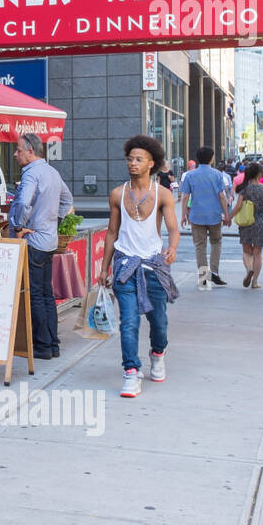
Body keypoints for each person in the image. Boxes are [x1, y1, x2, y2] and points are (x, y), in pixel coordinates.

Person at [100, 135, 179, 399]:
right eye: (130, 159)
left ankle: (158, 353)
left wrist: (173, 248)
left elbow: (173, 228)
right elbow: (112, 232)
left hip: (154, 266)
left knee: (159, 321)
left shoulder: (163, 194)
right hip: (125, 265)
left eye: (138, 159)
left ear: (151, 163)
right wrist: (104, 268)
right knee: (129, 322)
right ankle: (131, 373)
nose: (132, 163)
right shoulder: (117, 194)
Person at [8, 133, 74, 362]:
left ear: (30, 151)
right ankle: (52, 343)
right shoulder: (51, 172)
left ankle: (43, 345)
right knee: (46, 294)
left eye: (18, 150)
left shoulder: (31, 174)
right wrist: (51, 220)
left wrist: (18, 225)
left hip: (34, 243)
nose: (15, 154)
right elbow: (67, 200)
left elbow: (24, 203)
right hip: (48, 242)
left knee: (36, 294)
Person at [178, 146, 231, 289]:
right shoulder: (217, 175)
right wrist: (226, 214)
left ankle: (203, 278)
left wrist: (183, 214)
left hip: (196, 215)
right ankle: (214, 271)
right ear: (211, 158)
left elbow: (185, 197)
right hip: (214, 215)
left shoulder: (190, 175)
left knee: (200, 246)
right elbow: (222, 196)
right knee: (216, 242)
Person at [228, 162, 263, 290]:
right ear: (259, 174)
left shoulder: (245, 190)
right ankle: (255, 282)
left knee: (247, 251)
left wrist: (228, 218)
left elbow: (237, 207)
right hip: (260, 223)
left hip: (246, 223)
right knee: (257, 253)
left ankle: (249, 269)